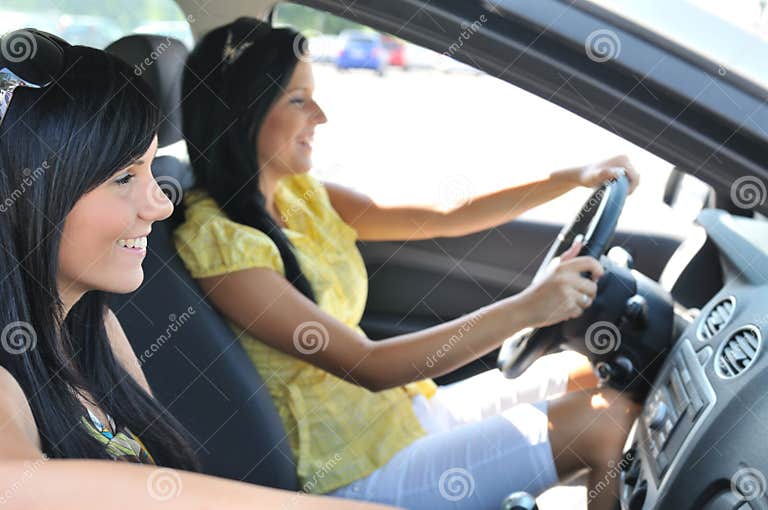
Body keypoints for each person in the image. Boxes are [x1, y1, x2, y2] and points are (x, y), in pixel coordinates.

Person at [174, 18, 641, 509]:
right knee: (603, 420)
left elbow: (442, 216)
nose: (321, 115)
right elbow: (368, 365)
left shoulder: (297, 195)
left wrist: (567, 178)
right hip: (353, 473)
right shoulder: (219, 244)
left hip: (404, 416)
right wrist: (530, 308)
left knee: (588, 374)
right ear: (244, 113)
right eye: (299, 99)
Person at [0, 28, 392, 510]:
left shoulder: (94, 325)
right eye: (124, 177)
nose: (161, 205)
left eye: (151, 169)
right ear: (24, 197)